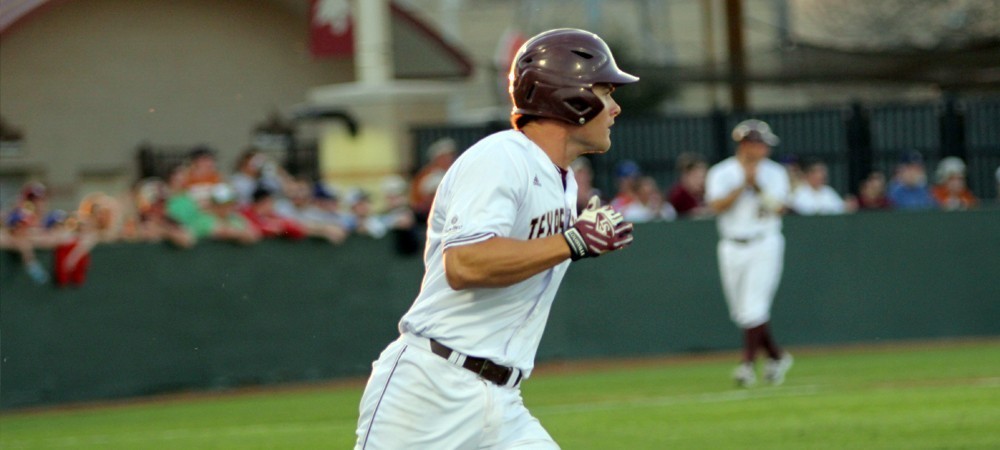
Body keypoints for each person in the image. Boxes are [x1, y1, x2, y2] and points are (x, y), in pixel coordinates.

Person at [354, 28, 637, 450]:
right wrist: (573, 241)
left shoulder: (561, 180)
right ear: (571, 97)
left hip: (503, 399)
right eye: (605, 91)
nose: (614, 107)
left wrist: (572, 240)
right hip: (430, 391)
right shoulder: (501, 157)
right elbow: (465, 264)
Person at [705, 119, 794, 388]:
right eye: (761, 143)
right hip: (731, 244)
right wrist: (742, 185)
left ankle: (746, 365)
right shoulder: (722, 172)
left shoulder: (775, 172)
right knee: (741, 311)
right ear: (746, 144)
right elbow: (716, 206)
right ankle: (776, 356)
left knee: (754, 306)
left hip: (764, 242)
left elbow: (780, 208)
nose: (766, 149)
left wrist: (757, 186)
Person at [410, 137, 458, 224]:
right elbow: (417, 200)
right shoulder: (425, 175)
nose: (449, 159)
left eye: (451, 155)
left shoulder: (456, 171)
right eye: (444, 156)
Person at [789, 159, 856, 215]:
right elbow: (803, 210)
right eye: (819, 171)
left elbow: (839, 208)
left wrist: (847, 206)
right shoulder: (798, 191)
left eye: (823, 171)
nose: (823, 175)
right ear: (809, 174)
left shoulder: (828, 191)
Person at [666, 152, 711, 218]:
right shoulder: (677, 196)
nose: (701, 181)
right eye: (696, 177)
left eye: (704, 176)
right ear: (685, 177)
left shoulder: (709, 192)